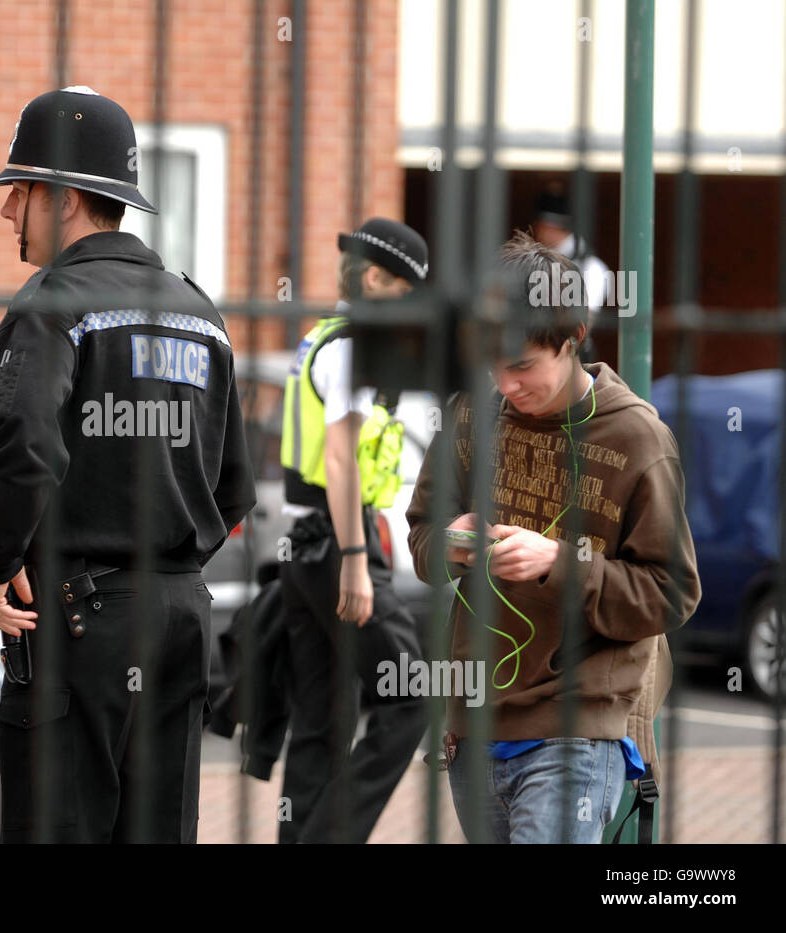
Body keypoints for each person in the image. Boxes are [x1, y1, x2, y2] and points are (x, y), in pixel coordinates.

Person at [0, 86, 255, 843]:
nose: (6, 211)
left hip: (79, 619)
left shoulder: (52, 302)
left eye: (19, 190)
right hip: (182, 616)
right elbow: (235, 487)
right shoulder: (201, 312)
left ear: (64, 198)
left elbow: (24, 441)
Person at [405, 230, 700, 844]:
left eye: (521, 366)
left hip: (578, 729)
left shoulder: (636, 439)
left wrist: (560, 564)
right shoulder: (470, 417)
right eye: (491, 365)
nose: (506, 384)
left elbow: (671, 594)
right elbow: (422, 543)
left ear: (571, 343)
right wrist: (451, 542)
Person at [275, 218, 430, 843]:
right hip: (334, 543)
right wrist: (356, 558)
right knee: (411, 694)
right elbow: (340, 457)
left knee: (323, 719)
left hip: (304, 543)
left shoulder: (321, 338)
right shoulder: (350, 346)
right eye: (407, 290)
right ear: (374, 279)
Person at [532, 185, 612, 359]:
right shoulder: (538, 261)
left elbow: (585, 318)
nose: (537, 232)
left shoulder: (591, 266)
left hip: (570, 354)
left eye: (540, 226)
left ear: (549, 226)